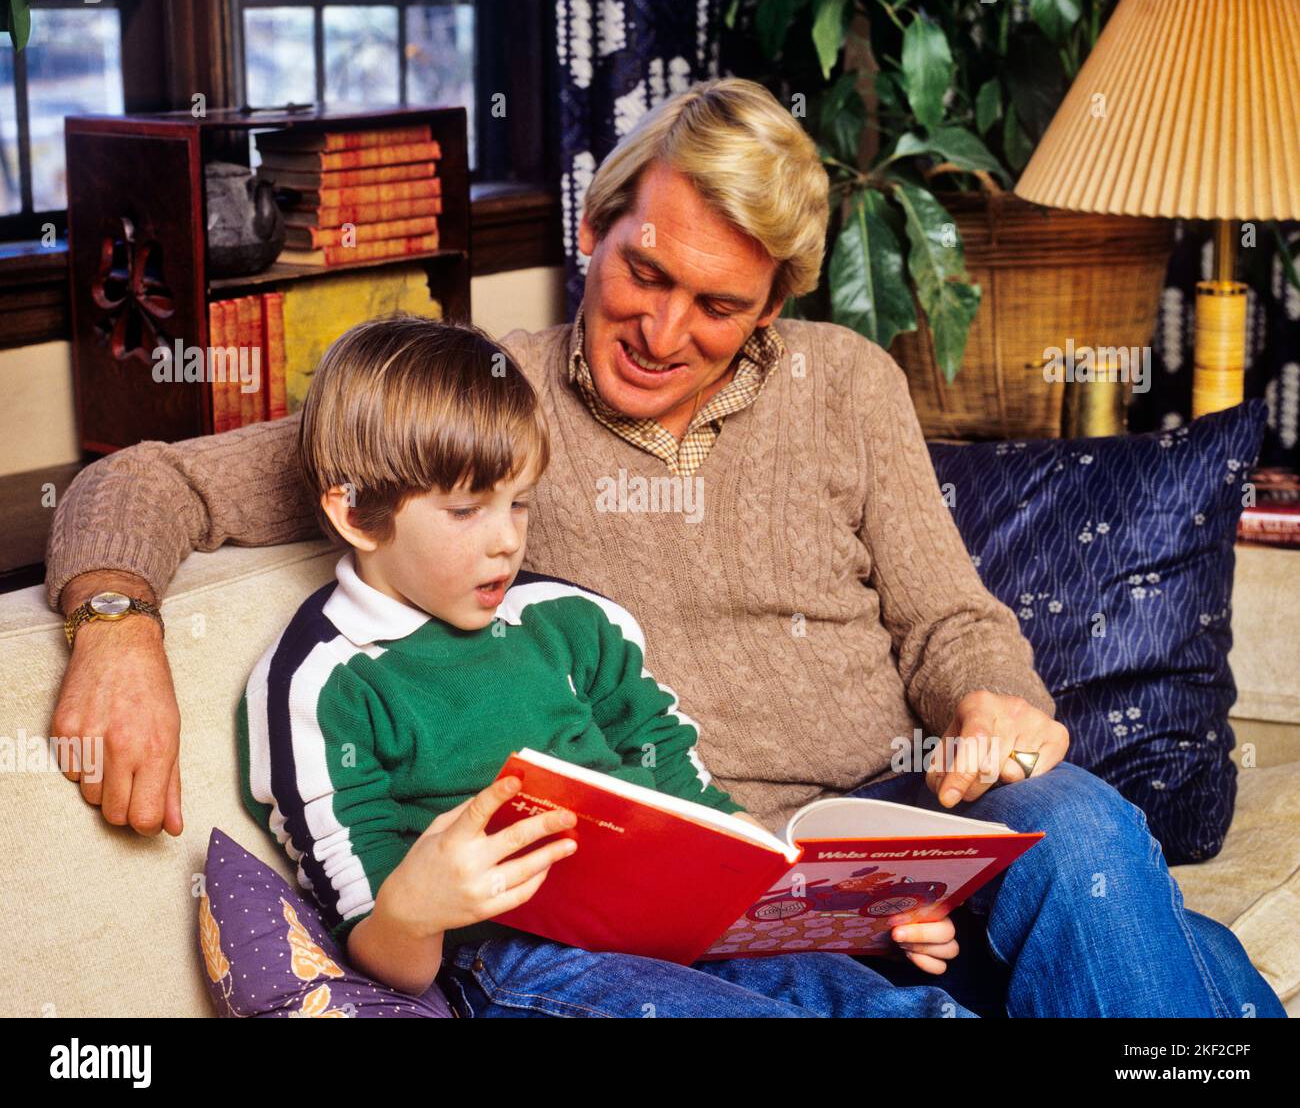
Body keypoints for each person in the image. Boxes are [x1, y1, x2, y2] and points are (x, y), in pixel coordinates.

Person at [46, 77, 1282, 1017]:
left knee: (1089, 830)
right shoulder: (476, 407)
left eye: (718, 305)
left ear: (773, 307)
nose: (663, 328)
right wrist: (114, 623)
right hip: (693, 885)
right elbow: (147, 480)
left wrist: (993, 698)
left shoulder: (847, 383)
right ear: (595, 222)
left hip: (882, 822)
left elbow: (948, 615)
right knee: (1188, 967)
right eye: (645, 271)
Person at [242, 312, 973, 1017]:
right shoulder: (323, 683)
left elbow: (694, 797)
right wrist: (417, 907)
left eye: (520, 504)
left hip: (681, 916)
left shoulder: (572, 620)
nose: (505, 542)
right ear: (355, 512)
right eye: (467, 511)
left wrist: (839, 911)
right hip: (517, 958)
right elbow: (375, 945)